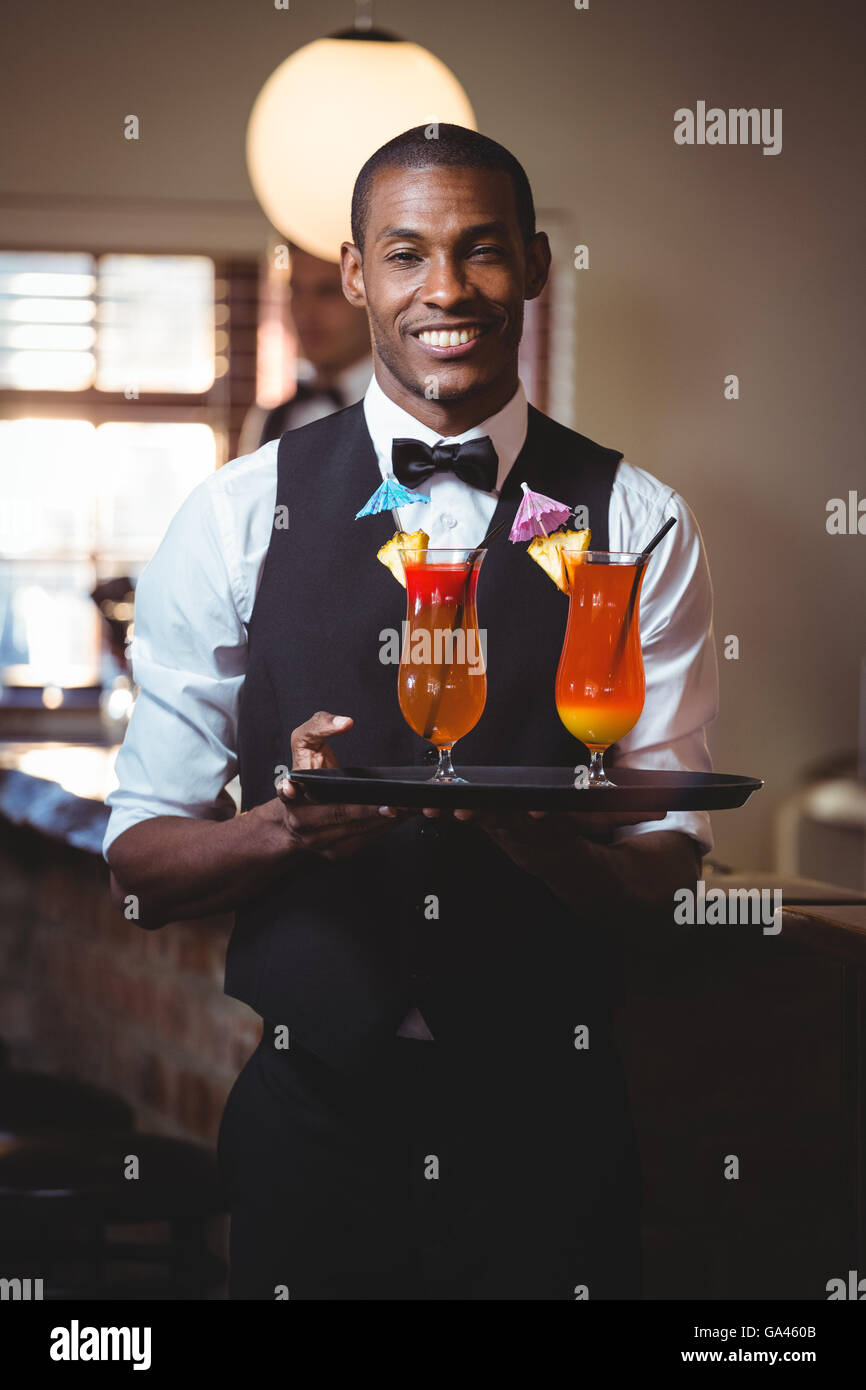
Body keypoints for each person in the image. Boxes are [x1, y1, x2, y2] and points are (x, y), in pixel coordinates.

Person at [104, 124, 719, 1300]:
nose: (446, 288)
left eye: (482, 251)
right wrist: (285, 826)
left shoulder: (638, 520)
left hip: (558, 1129)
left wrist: (544, 841)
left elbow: (666, 870)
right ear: (353, 275)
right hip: (312, 1126)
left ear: (535, 267)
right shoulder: (235, 515)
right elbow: (136, 871)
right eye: (406, 253)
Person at [238, 242, 372, 455]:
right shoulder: (271, 419)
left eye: (328, 292)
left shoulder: (411, 410)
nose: (304, 313)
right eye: (296, 291)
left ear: (371, 297)